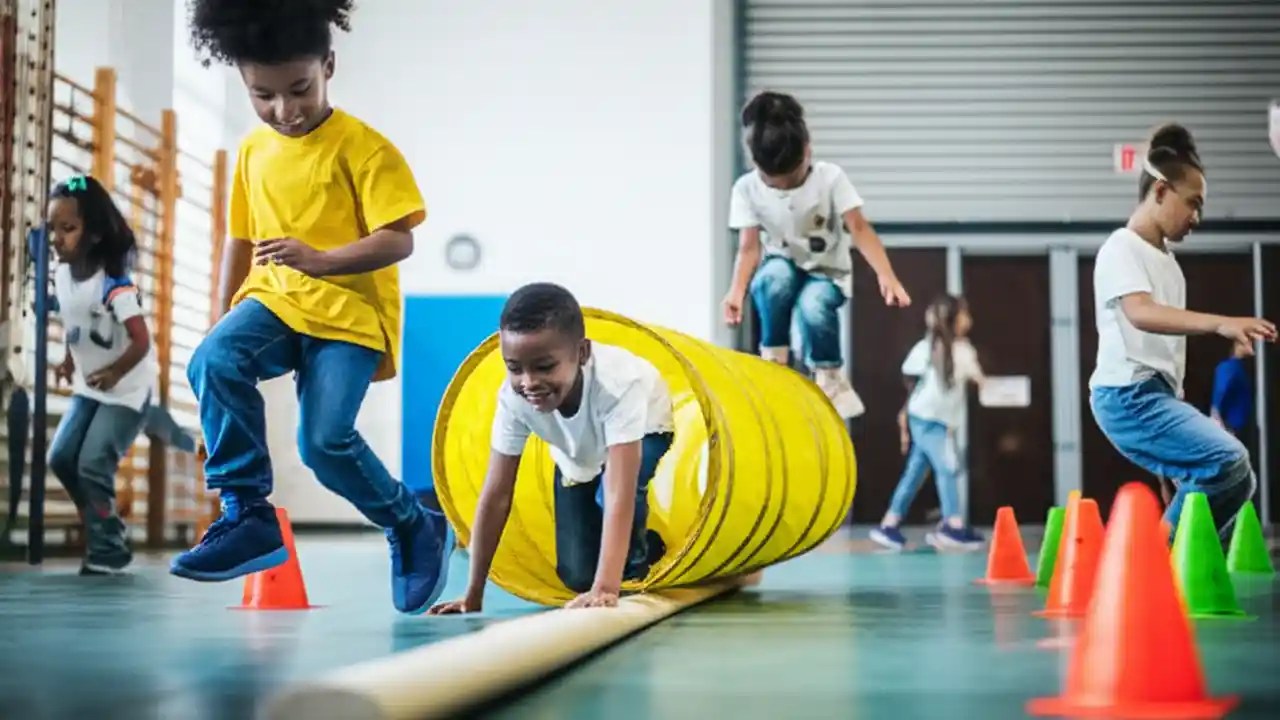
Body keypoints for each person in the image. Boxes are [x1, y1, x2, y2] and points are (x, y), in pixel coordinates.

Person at [171, 0, 454, 615]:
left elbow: (398, 238)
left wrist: (319, 259)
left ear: (329, 65)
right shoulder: (252, 152)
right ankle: (247, 513)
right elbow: (239, 240)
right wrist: (222, 315)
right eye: (262, 95)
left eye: (299, 89)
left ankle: (412, 524)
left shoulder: (364, 149)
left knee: (323, 445)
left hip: (349, 316)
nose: (284, 111)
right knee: (213, 358)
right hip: (275, 301)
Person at [428, 283, 674, 613]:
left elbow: (619, 490)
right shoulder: (513, 399)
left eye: (544, 367)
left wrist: (605, 589)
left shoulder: (619, 385)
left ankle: (639, 549)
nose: (528, 382)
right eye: (515, 367)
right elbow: (496, 493)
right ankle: (641, 546)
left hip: (646, 428)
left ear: (582, 353)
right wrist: (473, 595)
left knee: (618, 510)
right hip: (579, 450)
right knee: (576, 575)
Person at [1088, 123, 1276, 544]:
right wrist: (1220, 322)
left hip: (1156, 397)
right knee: (1229, 458)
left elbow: (1166, 363)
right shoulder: (1121, 247)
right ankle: (1156, 565)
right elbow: (1140, 313)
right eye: (1192, 203)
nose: (1197, 217)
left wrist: (1168, 463)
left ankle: (1185, 571)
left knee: (1240, 481)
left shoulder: (1170, 265)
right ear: (1159, 192)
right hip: (1126, 396)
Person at [722, 90, 911, 419]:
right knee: (771, 280)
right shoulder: (746, 189)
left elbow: (860, 228)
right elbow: (749, 247)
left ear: (808, 152)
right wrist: (736, 291)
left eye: (791, 180)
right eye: (773, 183)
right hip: (781, 265)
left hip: (826, 273)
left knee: (813, 305)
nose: (783, 189)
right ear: (756, 166)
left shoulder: (830, 178)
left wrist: (887, 275)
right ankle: (775, 359)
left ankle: (830, 374)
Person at [45, 174, 155, 575]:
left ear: (92, 235)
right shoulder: (60, 275)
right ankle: (101, 522)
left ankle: (108, 547)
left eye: (68, 229)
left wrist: (113, 372)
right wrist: (68, 361)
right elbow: (77, 326)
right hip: (89, 387)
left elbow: (141, 342)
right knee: (61, 458)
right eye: (52, 228)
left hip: (127, 390)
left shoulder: (114, 286)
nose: (57, 238)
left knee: (92, 463)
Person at [869, 295, 986, 550]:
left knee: (915, 472)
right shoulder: (941, 348)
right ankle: (952, 527)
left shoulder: (947, 349)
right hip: (927, 420)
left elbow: (910, 372)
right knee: (948, 467)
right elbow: (912, 374)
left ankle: (889, 524)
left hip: (929, 419)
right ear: (953, 319)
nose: (969, 319)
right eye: (964, 314)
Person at [1210, 342, 1253, 438]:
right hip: (1230, 425)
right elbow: (1221, 390)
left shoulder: (1238, 367)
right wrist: (1217, 414)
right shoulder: (1230, 367)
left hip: (1236, 424)